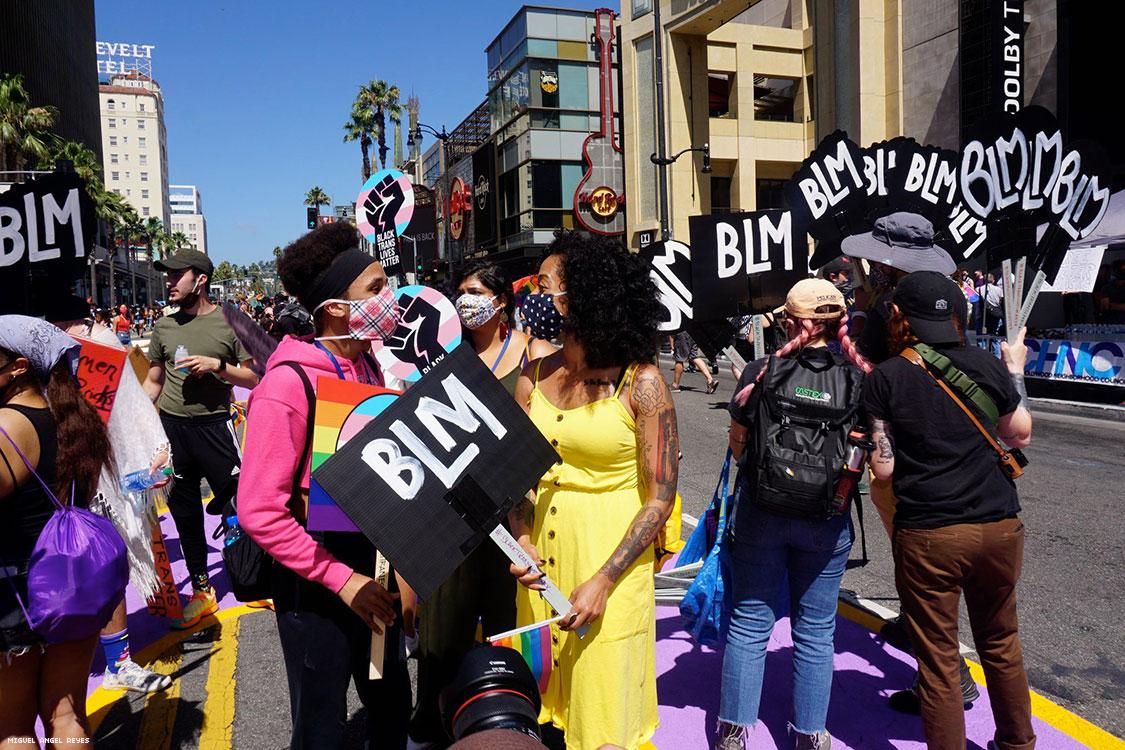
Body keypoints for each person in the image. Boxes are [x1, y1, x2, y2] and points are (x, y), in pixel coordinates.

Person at [239, 222, 410, 749]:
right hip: (315, 584)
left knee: (391, 705)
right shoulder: (287, 384)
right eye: (377, 288)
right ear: (337, 307)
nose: (392, 298)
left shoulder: (369, 367)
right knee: (320, 726)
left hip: (375, 568)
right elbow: (261, 510)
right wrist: (341, 580)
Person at [509, 231, 678, 750]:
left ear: (588, 296)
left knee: (605, 715)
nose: (535, 297)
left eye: (547, 285)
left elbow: (661, 497)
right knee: (542, 706)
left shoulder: (641, 383)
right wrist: (520, 540)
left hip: (611, 567)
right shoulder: (531, 376)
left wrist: (604, 580)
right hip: (541, 569)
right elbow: (516, 477)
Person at [865, 271, 1035, 750]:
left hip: (931, 531)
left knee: (939, 659)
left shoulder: (887, 376)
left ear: (901, 318)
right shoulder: (986, 364)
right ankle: (1018, 743)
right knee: (1002, 643)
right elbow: (1019, 432)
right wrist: (1014, 369)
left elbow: (882, 470)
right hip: (999, 523)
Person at [717, 279, 871, 750]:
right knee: (816, 631)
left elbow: (738, 444)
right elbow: (867, 455)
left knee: (748, 621)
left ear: (788, 321)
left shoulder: (762, 372)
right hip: (826, 516)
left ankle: (733, 733)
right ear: (838, 323)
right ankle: (809, 734)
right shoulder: (860, 378)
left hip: (762, 509)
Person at [410, 260, 555, 745]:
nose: (465, 300)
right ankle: (435, 720)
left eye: (474, 291)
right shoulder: (447, 357)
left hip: (514, 515)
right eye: (460, 292)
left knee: (508, 621)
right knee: (443, 625)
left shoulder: (536, 356)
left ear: (501, 301)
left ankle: (513, 719)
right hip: (453, 513)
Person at [46, 296, 173, 694]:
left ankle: (118, 661)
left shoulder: (99, 341)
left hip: (98, 478)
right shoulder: (23, 350)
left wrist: (151, 451)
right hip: (43, 480)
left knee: (109, 561)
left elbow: (129, 407)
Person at [0, 316, 117, 744]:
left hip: (16, 593)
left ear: (16, 366)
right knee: (67, 716)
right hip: (73, 581)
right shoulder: (70, 416)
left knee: (12, 727)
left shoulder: (8, 426)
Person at [143, 248, 259, 629]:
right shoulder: (163, 327)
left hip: (216, 428)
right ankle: (201, 588)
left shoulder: (229, 322)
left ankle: (257, 577)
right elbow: (154, 382)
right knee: (185, 514)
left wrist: (217, 367)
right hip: (174, 431)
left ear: (201, 279)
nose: (170, 282)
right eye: (168, 275)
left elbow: (254, 377)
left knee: (244, 507)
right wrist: (131, 424)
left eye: (178, 274)